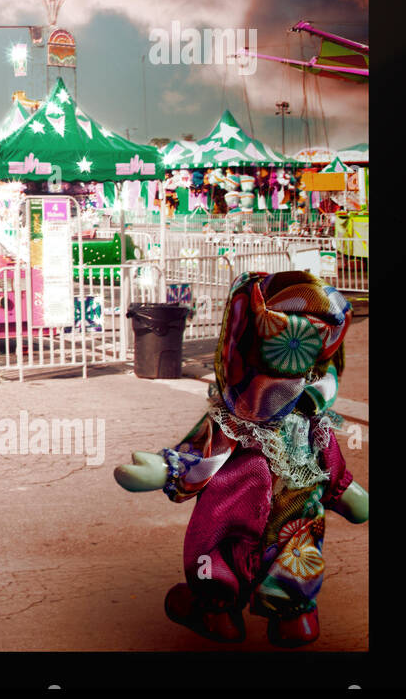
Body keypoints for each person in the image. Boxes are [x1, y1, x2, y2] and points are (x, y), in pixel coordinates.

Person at [115, 271, 367, 646]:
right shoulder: (248, 417)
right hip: (258, 513)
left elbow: (325, 455)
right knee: (247, 559)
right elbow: (205, 450)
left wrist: (344, 489)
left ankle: (270, 613)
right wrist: (166, 468)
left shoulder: (298, 416)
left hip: (273, 515)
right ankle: (232, 610)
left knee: (283, 557)